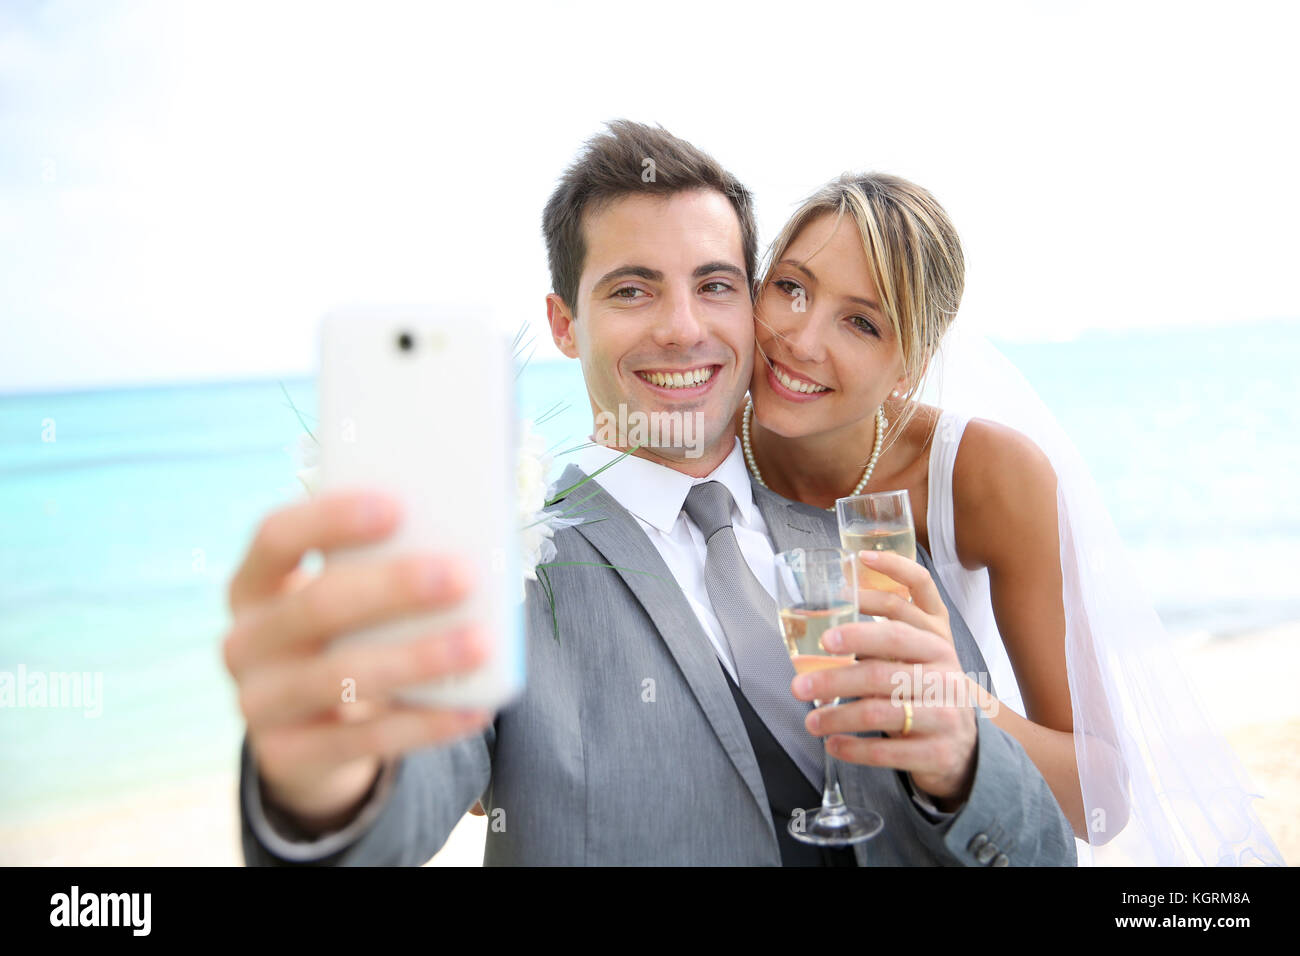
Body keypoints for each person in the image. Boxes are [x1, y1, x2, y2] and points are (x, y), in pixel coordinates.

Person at [225, 120, 1076, 865]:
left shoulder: (865, 544)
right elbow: (398, 799)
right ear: (565, 325)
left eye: (715, 285)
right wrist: (325, 780)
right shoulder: (502, 562)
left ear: (750, 308)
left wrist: (962, 764)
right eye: (632, 290)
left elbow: (1041, 853)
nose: (682, 327)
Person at [740, 171, 1285, 866]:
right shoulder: (702, 444)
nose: (801, 338)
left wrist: (961, 709)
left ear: (911, 364)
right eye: (791, 286)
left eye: (862, 322)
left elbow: (1101, 797)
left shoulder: (984, 473)